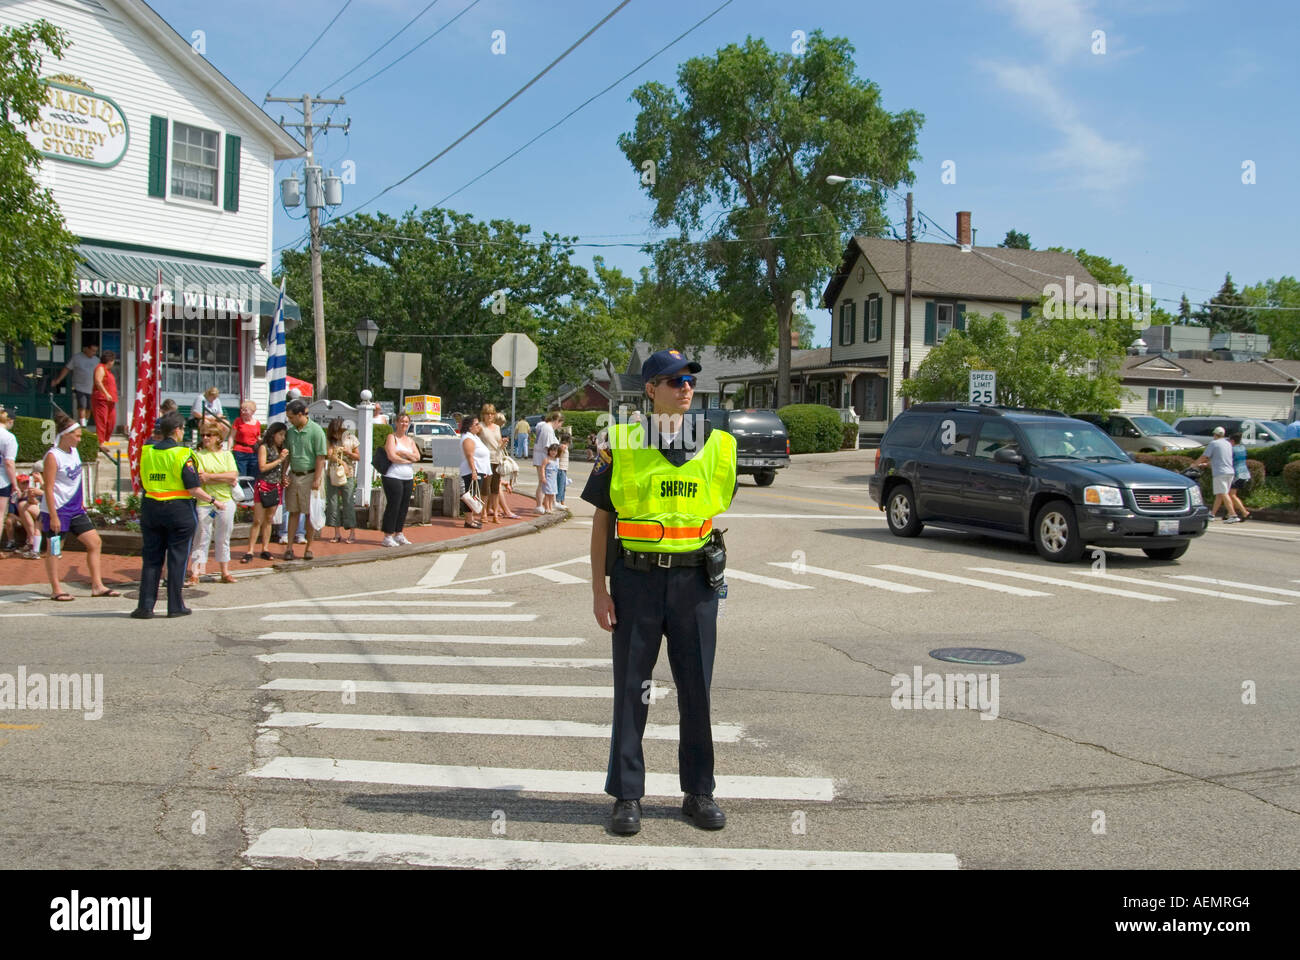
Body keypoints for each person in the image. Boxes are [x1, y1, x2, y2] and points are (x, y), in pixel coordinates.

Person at [583, 348, 738, 837]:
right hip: (636, 581)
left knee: (697, 691)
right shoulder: (620, 443)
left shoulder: (719, 444)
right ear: (650, 391)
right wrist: (598, 591)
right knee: (632, 691)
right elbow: (602, 521)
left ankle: (699, 792)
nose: (684, 388)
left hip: (695, 584)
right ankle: (627, 796)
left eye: (689, 380)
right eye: (672, 382)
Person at [132, 411, 217, 618]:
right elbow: (193, 486)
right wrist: (214, 501)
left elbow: (142, 481)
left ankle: (145, 606)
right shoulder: (183, 454)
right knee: (177, 559)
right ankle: (175, 606)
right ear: (177, 430)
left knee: (151, 558)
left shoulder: (147, 451)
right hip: (178, 510)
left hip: (151, 507)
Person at [38, 411, 121, 601]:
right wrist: (53, 516)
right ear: (65, 435)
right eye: (77, 435)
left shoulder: (74, 451)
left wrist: (81, 503)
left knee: (95, 542)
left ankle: (97, 586)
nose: (80, 438)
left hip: (75, 509)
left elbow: (76, 481)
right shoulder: (53, 456)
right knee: (55, 550)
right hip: (57, 510)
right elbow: (48, 488)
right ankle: (56, 589)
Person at [186, 422, 239, 584]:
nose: (205, 438)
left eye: (209, 435)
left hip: (225, 500)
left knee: (223, 536)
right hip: (205, 501)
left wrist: (211, 477)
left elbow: (233, 476)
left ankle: (224, 571)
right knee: (201, 536)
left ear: (218, 438)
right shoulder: (198, 455)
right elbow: (200, 477)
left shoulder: (227, 455)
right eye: (203, 435)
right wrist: (221, 477)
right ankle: (196, 572)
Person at [283, 399, 326, 560]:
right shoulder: (291, 432)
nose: (290, 420)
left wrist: (317, 479)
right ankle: (289, 548)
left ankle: (309, 547)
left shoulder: (316, 431)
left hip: (310, 475)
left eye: (291, 417)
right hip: (294, 474)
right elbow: (287, 455)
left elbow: (320, 457)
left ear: (300, 414)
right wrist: (284, 474)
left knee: (310, 513)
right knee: (293, 512)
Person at [244, 422, 288, 562]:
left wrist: (283, 478)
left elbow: (282, 468)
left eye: (284, 435)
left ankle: (265, 548)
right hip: (263, 484)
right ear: (273, 434)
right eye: (280, 434)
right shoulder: (264, 447)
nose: (282, 438)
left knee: (269, 519)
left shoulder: (280, 448)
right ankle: (250, 549)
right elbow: (262, 467)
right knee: (258, 519)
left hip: (276, 485)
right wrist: (279, 459)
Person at [381, 412, 420, 546]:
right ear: (396, 423)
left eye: (406, 422)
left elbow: (417, 457)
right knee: (394, 505)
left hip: (407, 477)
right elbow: (392, 456)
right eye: (402, 421)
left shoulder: (410, 440)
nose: (404, 424)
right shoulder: (391, 438)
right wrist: (407, 459)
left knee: (404, 506)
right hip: (393, 476)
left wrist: (403, 453)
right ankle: (387, 536)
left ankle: (399, 533)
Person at [1194, 426, 1240, 522]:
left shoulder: (1214, 443)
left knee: (1223, 493)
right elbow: (1220, 458)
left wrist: (1194, 465)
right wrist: (1207, 464)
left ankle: (1233, 515)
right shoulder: (1228, 444)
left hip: (1220, 472)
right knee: (1220, 494)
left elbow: (1204, 456)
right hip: (1230, 471)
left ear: (1215, 434)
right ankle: (1212, 514)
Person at [325, 417, 360, 543]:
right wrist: (341, 462)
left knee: (348, 502)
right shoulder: (330, 441)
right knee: (333, 503)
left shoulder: (351, 439)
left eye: (339, 432)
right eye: (335, 432)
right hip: (333, 474)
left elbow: (358, 456)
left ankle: (352, 533)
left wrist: (348, 453)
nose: (337, 435)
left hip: (348, 475)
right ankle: (336, 533)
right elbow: (329, 455)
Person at [49, 342, 99, 426]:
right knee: (82, 405)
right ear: (86, 349)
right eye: (92, 350)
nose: (93, 353)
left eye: (95, 351)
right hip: (80, 387)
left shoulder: (96, 360)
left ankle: (85, 423)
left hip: (92, 387)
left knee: (89, 407)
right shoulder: (77, 358)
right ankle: (82, 424)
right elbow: (67, 369)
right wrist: (58, 380)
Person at [458, 414, 492, 530]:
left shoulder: (474, 436)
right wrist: (474, 471)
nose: (479, 426)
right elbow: (469, 456)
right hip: (471, 471)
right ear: (469, 426)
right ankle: (468, 520)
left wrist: (485, 470)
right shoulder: (468, 438)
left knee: (474, 495)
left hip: (479, 470)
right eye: (476, 424)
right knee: (470, 496)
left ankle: (471, 519)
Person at [478, 403, 505, 523]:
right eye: (487, 413)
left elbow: (499, 443)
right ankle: (483, 513)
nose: (489, 416)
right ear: (483, 415)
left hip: (497, 459)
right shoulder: (480, 427)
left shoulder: (497, 427)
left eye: (492, 413)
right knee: (485, 488)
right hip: (485, 460)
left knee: (495, 488)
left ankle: (495, 514)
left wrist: (503, 443)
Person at [532, 411, 562, 513]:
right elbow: (549, 447)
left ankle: (547, 504)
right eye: (560, 423)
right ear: (557, 421)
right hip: (544, 459)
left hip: (541, 457)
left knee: (547, 483)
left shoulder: (544, 427)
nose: (560, 426)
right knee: (543, 482)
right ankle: (540, 505)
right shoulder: (548, 429)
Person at [230, 401, 262, 480]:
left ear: (252, 411)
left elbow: (258, 438)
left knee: (253, 476)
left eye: (245, 410)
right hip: (240, 451)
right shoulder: (238, 421)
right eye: (242, 410)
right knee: (241, 476)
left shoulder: (257, 423)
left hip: (253, 452)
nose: (242, 412)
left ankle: (252, 492)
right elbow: (231, 436)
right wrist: (229, 449)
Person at [91, 350, 118, 444]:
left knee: (111, 421)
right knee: (101, 420)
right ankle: (100, 442)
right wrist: (106, 393)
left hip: (111, 400)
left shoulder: (108, 371)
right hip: (101, 399)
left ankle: (104, 439)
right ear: (110, 360)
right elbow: (98, 381)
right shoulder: (100, 368)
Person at [0, 406, 17, 545]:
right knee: (0, 515)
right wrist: (15, 484)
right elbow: (9, 463)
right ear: (9, 420)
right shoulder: (9, 437)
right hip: (2, 480)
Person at [1227, 432, 1253, 521]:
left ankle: (1244, 512)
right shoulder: (1242, 448)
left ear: (1232, 441)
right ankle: (1229, 513)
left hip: (1237, 474)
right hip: (1245, 473)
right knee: (1231, 494)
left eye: (1229, 441)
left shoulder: (1232, 450)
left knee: (1231, 494)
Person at [541, 442, 560, 513]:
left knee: (552, 494)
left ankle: (550, 507)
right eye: (552, 450)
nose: (553, 452)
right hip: (548, 479)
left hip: (554, 480)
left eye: (555, 451)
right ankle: (547, 508)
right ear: (549, 451)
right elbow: (542, 468)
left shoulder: (557, 460)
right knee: (547, 494)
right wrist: (543, 477)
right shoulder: (547, 459)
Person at [555, 429, 571, 506]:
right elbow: (558, 456)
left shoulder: (564, 446)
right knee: (560, 486)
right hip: (560, 468)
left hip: (563, 469)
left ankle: (562, 502)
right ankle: (557, 502)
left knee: (563, 486)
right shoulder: (563, 446)